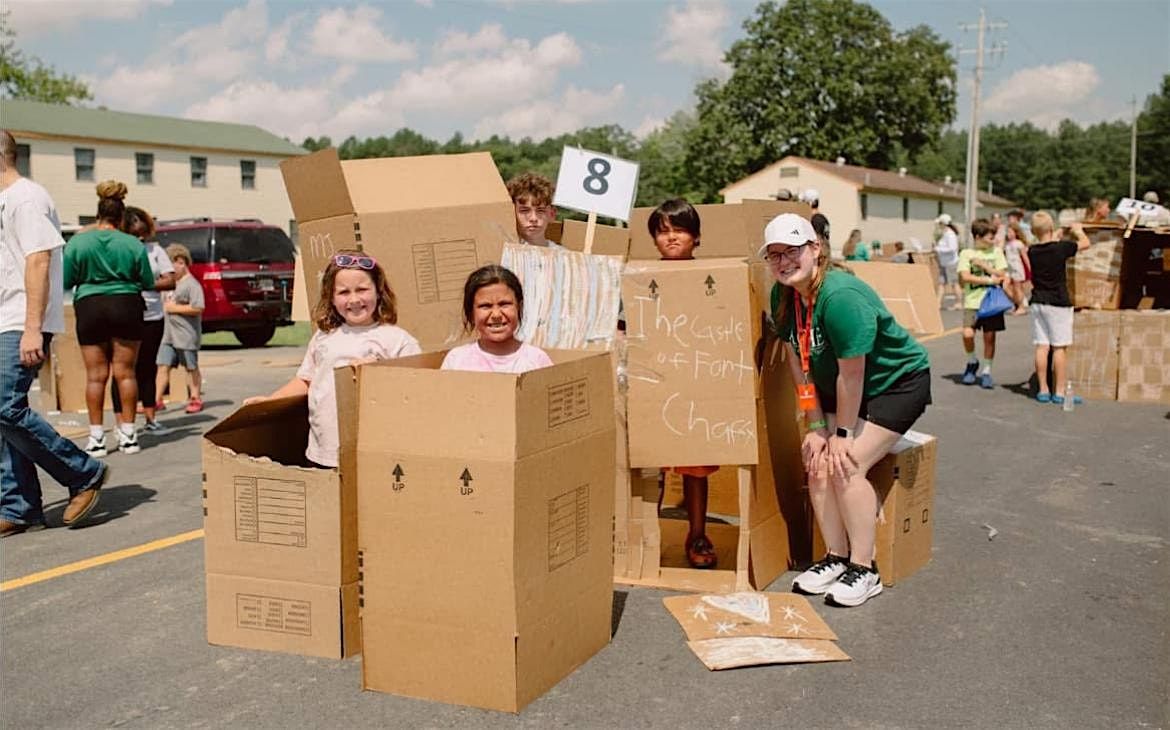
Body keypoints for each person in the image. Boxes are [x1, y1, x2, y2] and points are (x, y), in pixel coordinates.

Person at [763, 213, 930, 607]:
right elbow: (796, 364)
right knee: (817, 462)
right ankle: (835, 557)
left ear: (816, 250)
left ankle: (864, 568)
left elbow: (851, 375)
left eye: (793, 251)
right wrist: (816, 424)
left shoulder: (840, 298)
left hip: (894, 384)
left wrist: (842, 435)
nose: (784, 262)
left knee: (846, 463)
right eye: (775, 255)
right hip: (841, 386)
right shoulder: (783, 294)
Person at [0, 129, 109, 536]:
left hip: (20, 321)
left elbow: (38, 262)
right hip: (6, 319)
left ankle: (83, 473)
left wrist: (32, 330)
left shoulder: (26, 198)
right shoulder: (6, 200)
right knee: (3, 417)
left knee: (6, 408)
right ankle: (18, 505)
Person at [246, 251, 420, 468]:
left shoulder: (398, 340)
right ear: (331, 297)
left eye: (362, 289)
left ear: (379, 291)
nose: (354, 299)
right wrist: (270, 401)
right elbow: (305, 380)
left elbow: (413, 394)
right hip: (322, 450)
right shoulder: (323, 337)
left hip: (374, 452)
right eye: (344, 292)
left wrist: (378, 372)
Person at [628, 199, 720, 568]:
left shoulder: (715, 279)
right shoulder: (639, 276)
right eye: (663, 231)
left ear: (696, 237)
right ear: (653, 238)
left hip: (697, 387)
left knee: (696, 469)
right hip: (654, 385)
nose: (671, 237)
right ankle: (649, 538)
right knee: (654, 466)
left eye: (679, 229)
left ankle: (697, 534)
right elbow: (626, 325)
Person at [64, 181, 155, 457]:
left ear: (98, 214)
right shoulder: (132, 244)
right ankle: (128, 435)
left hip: (90, 306)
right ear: (121, 216)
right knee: (125, 372)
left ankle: (96, 438)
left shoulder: (78, 242)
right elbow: (146, 280)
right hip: (126, 304)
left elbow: (67, 280)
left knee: (95, 376)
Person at [110, 206, 174, 432]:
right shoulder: (118, 249)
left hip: (152, 315)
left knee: (148, 367)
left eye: (142, 234)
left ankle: (150, 417)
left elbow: (170, 280)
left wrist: (145, 284)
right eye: (134, 234)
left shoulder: (155, 250)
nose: (139, 239)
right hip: (126, 313)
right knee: (122, 368)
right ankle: (121, 421)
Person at [441, 264, 552, 374]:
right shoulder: (456, 362)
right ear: (471, 313)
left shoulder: (538, 361)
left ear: (519, 307)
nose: (496, 315)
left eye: (504, 304)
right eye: (485, 306)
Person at [1026, 212, 1090, 404]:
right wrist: (1078, 231)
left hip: (1038, 301)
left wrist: (1056, 233)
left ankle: (1043, 389)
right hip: (1058, 303)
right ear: (1052, 228)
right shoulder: (1061, 248)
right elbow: (1086, 243)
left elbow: (1048, 242)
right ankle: (1060, 391)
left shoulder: (1033, 251)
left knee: (1042, 346)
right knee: (1059, 348)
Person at [957, 218, 1008, 390]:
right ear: (978, 237)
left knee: (989, 338)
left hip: (991, 302)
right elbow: (965, 277)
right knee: (967, 334)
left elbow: (1001, 275)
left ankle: (987, 371)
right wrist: (988, 279)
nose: (993, 240)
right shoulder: (966, 253)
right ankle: (972, 361)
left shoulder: (997, 252)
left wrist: (985, 266)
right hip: (972, 301)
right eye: (989, 237)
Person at [154, 244, 205, 415]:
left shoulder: (192, 285)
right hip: (168, 335)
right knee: (162, 366)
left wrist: (174, 308)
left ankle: (195, 397)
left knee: (191, 367)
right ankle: (156, 399)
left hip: (186, 335)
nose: (175, 267)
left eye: (178, 263)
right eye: (172, 263)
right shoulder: (169, 284)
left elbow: (198, 307)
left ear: (184, 264)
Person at [506, 172, 560, 248]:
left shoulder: (565, 255)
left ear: (552, 214)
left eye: (540, 210)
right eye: (524, 211)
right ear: (512, 214)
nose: (533, 218)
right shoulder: (502, 253)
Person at [934, 214, 961, 309]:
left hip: (951, 263)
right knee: (941, 283)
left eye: (940, 223)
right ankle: (938, 303)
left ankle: (959, 302)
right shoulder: (945, 234)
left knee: (954, 282)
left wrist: (939, 249)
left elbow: (952, 248)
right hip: (944, 262)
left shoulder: (950, 234)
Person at [1003, 223, 1029, 315]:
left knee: (1017, 288)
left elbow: (1025, 257)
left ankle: (1021, 306)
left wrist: (1029, 269)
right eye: (1008, 232)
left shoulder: (1019, 243)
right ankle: (1016, 303)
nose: (1008, 234)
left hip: (1017, 267)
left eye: (1010, 232)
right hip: (1009, 268)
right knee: (1005, 286)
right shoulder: (1007, 244)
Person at [800, 188, 831, 254]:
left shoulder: (815, 220)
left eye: (803, 202)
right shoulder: (823, 218)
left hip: (818, 256)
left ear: (809, 203)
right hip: (824, 254)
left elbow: (817, 240)